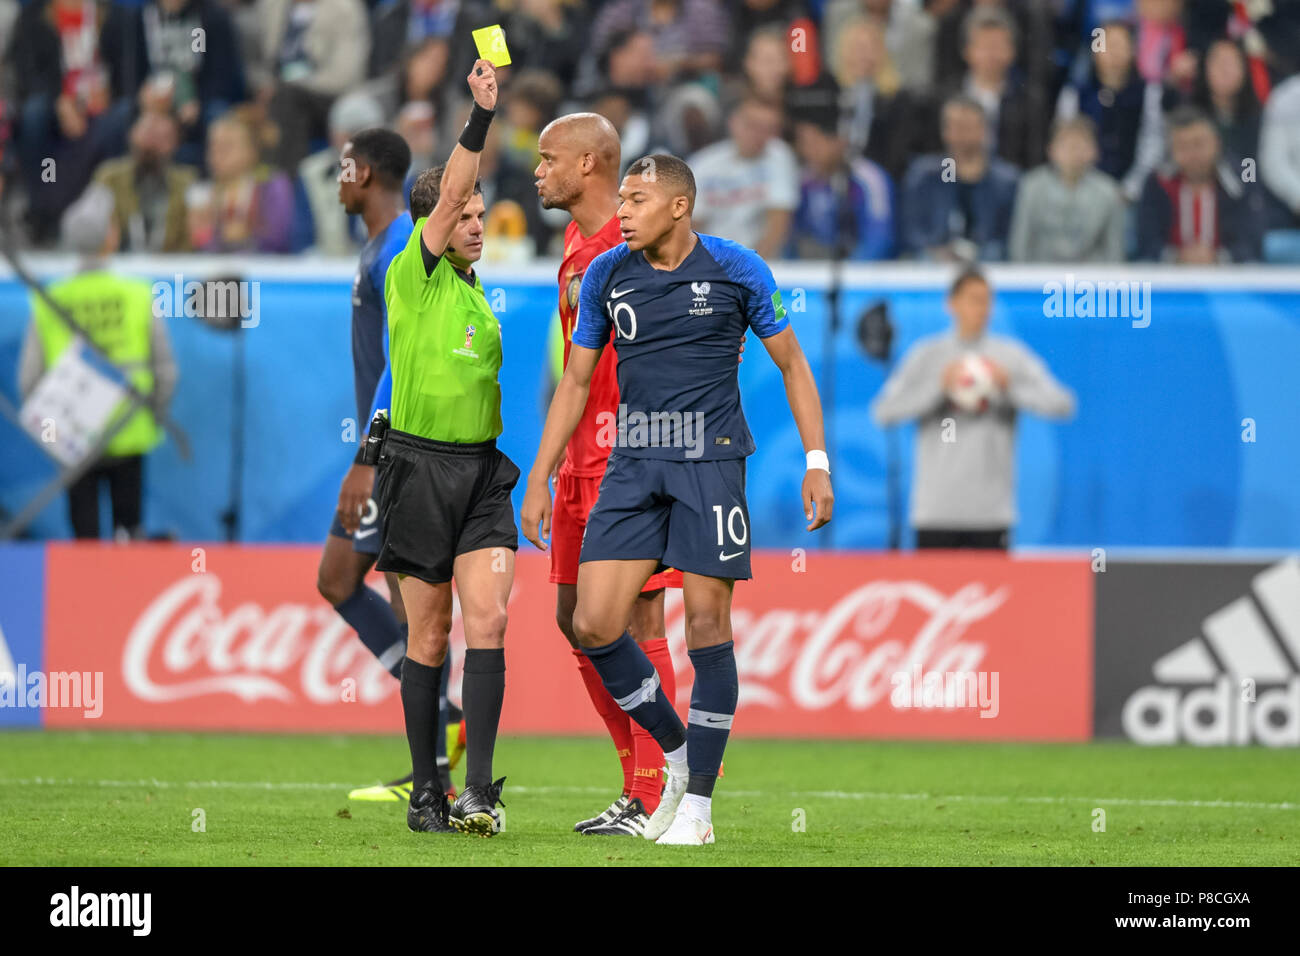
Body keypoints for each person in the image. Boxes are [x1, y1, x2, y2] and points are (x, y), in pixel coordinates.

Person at [520, 153, 834, 846]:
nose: (623, 212)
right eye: (621, 198)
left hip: (710, 465)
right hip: (632, 465)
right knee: (594, 623)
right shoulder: (606, 276)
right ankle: (681, 756)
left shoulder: (737, 268)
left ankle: (698, 811)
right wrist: (540, 474)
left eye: (636, 199)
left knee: (705, 627)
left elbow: (792, 363)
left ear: (679, 206)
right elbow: (574, 384)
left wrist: (817, 462)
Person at [373, 59, 515, 836]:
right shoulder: (414, 275)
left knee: (488, 623)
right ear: (436, 221)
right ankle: (428, 787)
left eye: (483, 215)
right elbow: (455, 185)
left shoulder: (475, 295)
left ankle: (480, 792)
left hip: (483, 474)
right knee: (428, 636)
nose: (477, 224)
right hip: (419, 470)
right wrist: (479, 117)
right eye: (465, 215)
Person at [534, 112, 685, 836]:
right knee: (574, 618)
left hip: (630, 463)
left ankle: (659, 788)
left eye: (548, 158)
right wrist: (545, 466)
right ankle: (636, 785)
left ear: (590, 163)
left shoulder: (642, 252)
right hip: (576, 464)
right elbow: (573, 372)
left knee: (638, 616)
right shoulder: (575, 245)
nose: (536, 171)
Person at [869, 267, 1074, 550]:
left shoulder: (1010, 356)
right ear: (952, 304)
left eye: (987, 300)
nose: (982, 309)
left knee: (989, 592)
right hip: (936, 514)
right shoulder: (928, 355)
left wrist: (1008, 387)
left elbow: (1062, 404)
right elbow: (883, 411)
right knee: (936, 592)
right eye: (974, 299)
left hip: (991, 514)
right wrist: (939, 387)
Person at [17, 185, 178, 539]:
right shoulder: (137, 294)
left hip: (74, 436)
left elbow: (29, 380)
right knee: (129, 533)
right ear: (111, 236)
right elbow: (166, 370)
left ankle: (85, 594)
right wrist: (154, 413)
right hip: (130, 427)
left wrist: (51, 433)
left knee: (84, 538)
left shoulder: (49, 298)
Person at [1135, 106, 1265, 264]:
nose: (1192, 154)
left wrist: (1217, 258)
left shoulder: (1242, 180)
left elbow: (1252, 241)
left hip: (1228, 272)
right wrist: (1178, 257)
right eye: (1182, 147)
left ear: (1217, 143)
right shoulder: (1157, 182)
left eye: (1199, 144)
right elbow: (1147, 241)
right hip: (1170, 273)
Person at [899, 94, 1018, 261]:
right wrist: (938, 251)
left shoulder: (1005, 181)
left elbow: (1009, 236)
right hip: (934, 260)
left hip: (987, 260)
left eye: (967, 126)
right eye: (954, 126)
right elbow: (911, 231)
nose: (960, 134)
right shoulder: (925, 176)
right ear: (944, 131)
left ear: (984, 130)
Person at [688, 96, 799, 257]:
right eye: (752, 126)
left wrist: (751, 268)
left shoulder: (779, 156)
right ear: (733, 123)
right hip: (711, 261)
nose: (759, 134)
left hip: (764, 263)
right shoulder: (703, 164)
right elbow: (691, 225)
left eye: (768, 129)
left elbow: (778, 224)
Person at [1009, 116, 1125, 263]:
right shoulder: (1031, 186)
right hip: (1040, 276)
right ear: (1051, 150)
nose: (1074, 151)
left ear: (1095, 151)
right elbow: (1020, 243)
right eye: (1067, 144)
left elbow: (1114, 250)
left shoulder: (1109, 191)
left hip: (1091, 280)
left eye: (1081, 144)